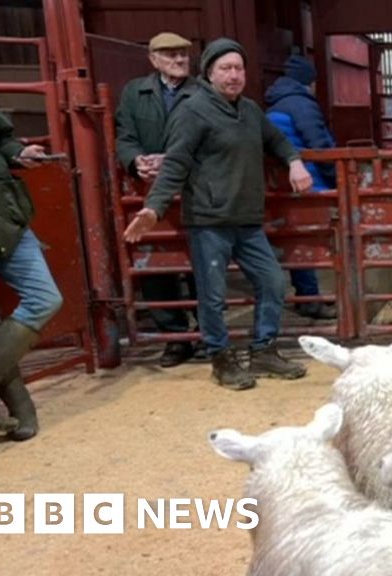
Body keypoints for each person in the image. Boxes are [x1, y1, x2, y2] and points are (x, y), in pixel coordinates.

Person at [122, 38, 313, 391]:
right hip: (209, 220)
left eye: (239, 68)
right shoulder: (193, 111)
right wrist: (154, 206)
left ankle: (263, 350)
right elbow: (176, 161)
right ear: (209, 73)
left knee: (272, 281)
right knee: (212, 294)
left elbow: (277, 140)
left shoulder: (250, 110)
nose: (234, 75)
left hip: (246, 220)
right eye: (225, 68)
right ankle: (221, 360)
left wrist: (294, 161)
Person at [0, 39, 63, 474]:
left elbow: (2, 140)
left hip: (5, 214)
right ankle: (18, 407)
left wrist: (19, 152)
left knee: (45, 297)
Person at [115, 32, 199, 367]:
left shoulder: (202, 91)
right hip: (148, 189)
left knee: (202, 263)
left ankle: (208, 334)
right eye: (170, 55)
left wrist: (176, 160)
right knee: (156, 265)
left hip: (193, 188)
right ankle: (175, 338)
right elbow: (124, 136)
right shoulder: (135, 93)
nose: (179, 60)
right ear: (153, 60)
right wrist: (135, 160)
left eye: (183, 55)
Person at [264, 55, 337, 322]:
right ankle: (311, 299)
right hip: (308, 180)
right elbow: (319, 143)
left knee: (295, 239)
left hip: (282, 182)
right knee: (312, 239)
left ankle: (308, 295)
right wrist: (336, 178)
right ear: (309, 81)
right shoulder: (302, 104)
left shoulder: (275, 103)